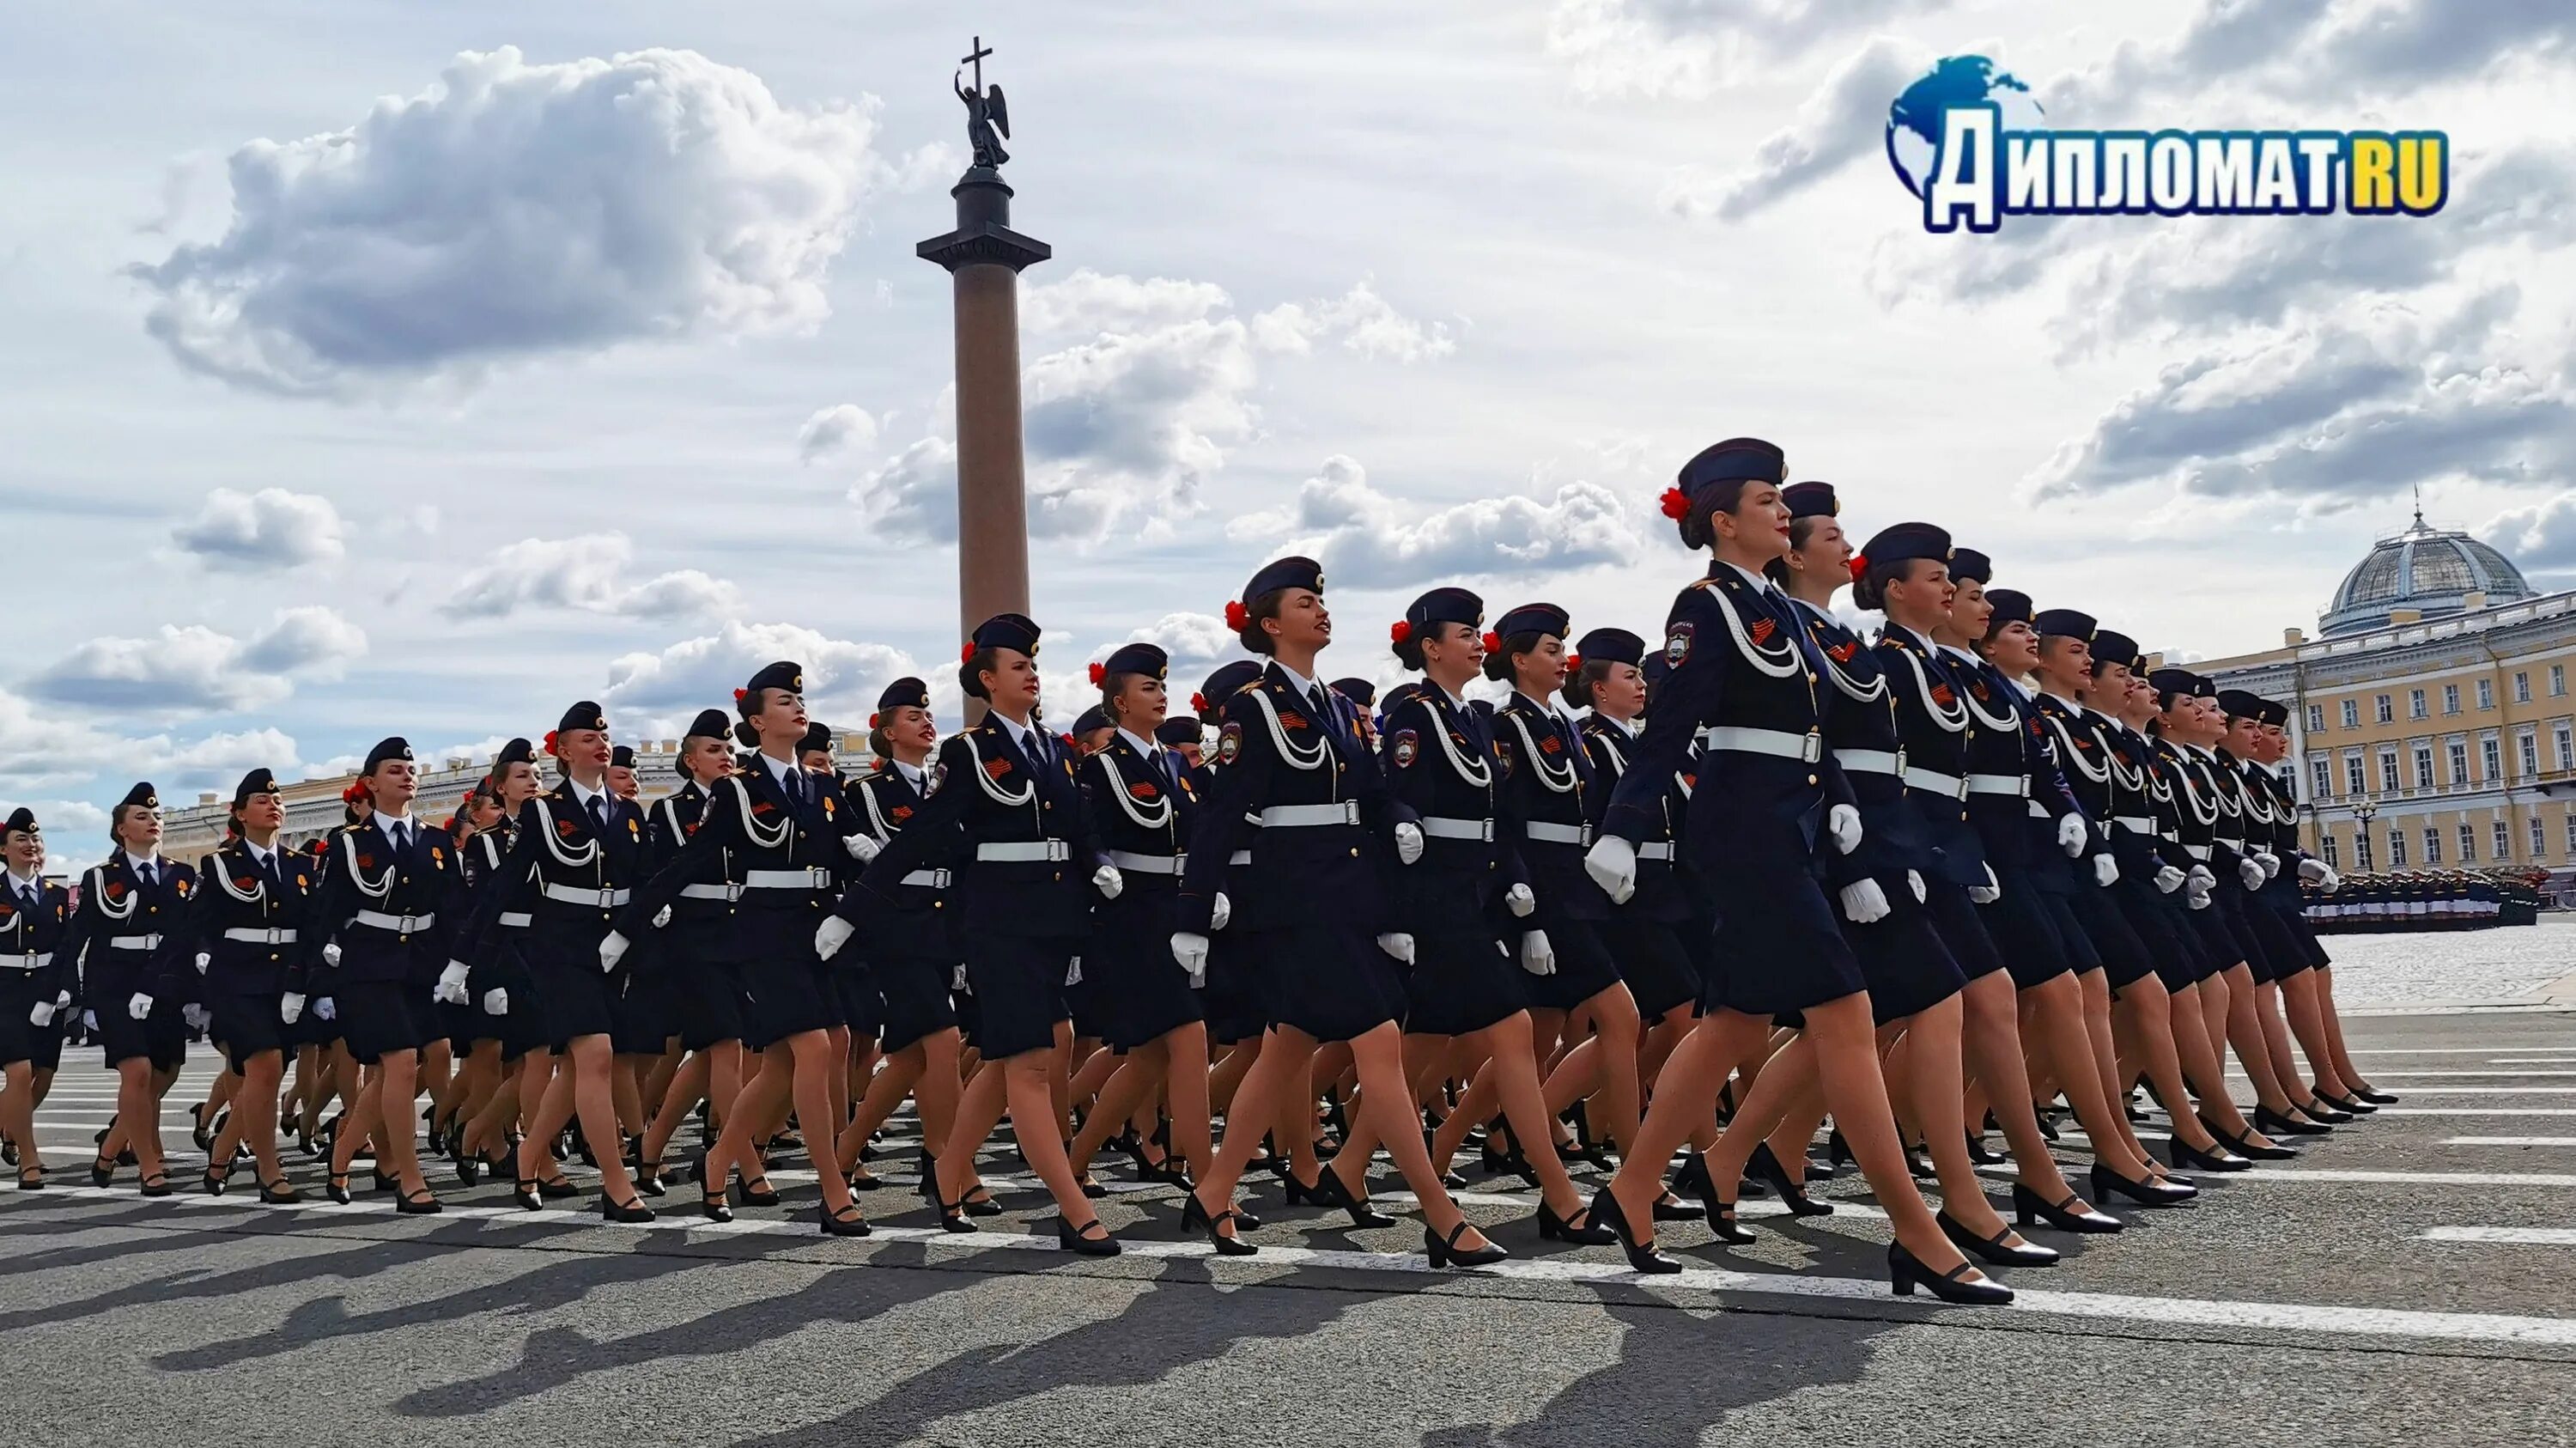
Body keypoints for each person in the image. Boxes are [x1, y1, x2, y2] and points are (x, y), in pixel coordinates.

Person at [1582, 439, 2005, 1302]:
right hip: (1745, 835)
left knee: (1736, 1023)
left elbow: (1817, 727)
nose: (1786, 511)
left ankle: (1628, 1193)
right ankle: (1918, 1236)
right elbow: (1669, 731)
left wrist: (1842, 799)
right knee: (1846, 1013)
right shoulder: (1706, 608)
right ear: (1724, 521)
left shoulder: (1778, 610)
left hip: (1796, 825)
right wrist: (1622, 827)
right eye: (1768, 501)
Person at [1175, 557, 1504, 1266]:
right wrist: (1193, 911)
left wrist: (1400, 824)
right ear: (1269, 625)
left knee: (1285, 1045)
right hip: (1295, 901)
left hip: (1346, 894)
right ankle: (1441, 1215)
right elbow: (1222, 815)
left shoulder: (1343, 709)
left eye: (1321, 602)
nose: (1321, 612)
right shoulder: (1254, 707)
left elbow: (1374, 792)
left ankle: (1213, 1191)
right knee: (1380, 1042)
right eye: (1304, 603)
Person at [842, 616, 1118, 1254]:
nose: (1031, 673)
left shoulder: (1051, 747)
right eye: (1017, 666)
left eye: (1034, 664)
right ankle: (1071, 1208)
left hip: (1051, 921)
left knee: (1009, 1059)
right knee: (1027, 1063)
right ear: (988, 680)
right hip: (998, 925)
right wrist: (857, 906)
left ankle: (947, 1173)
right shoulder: (968, 751)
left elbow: (1080, 828)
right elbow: (924, 835)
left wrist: (1099, 866)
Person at [1385, 588, 1616, 1245]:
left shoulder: (1473, 721)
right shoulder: (1415, 715)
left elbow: (1497, 822)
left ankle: (1349, 1166)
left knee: (1417, 1049)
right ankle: (1558, 1194)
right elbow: (1397, 811)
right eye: (1465, 633)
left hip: (1475, 893)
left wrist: (1514, 886)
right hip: (1436, 899)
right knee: (1512, 1028)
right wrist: (1397, 912)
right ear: (1431, 647)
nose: (1476, 643)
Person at [618, 661, 872, 1236]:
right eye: (785, 702)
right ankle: (832, 1188)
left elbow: (845, 855)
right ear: (757, 721)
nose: (798, 709)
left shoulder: (824, 788)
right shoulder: (738, 790)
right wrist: (629, 925)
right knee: (813, 1050)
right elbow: (689, 861)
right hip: (764, 936)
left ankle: (717, 1159)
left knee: (786, 1062)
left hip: (817, 930)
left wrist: (863, 852)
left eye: (800, 702)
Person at [456, 703, 654, 1222]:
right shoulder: (545, 811)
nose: (600, 744)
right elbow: (504, 889)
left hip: (613, 947)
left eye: (603, 737)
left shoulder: (629, 813)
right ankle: (616, 1185)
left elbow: (648, 882)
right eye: (587, 738)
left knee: (573, 1069)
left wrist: (640, 930)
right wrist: (465, 962)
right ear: (564, 752)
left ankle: (528, 1156)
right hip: (560, 947)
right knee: (596, 1057)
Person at [1485, 603, 1645, 1185]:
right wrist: (1522, 899)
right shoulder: (1508, 728)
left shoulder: (1563, 728)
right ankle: (1638, 1170)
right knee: (1620, 1019)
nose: (1563, 660)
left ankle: (1489, 1132)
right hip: (1544, 887)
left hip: (1575, 880)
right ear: (1520, 660)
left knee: (1542, 1030)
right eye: (1552, 650)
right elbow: (1506, 818)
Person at [1059, 644, 1224, 1205]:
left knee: (1149, 1056)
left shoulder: (1172, 766)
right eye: (1148, 688)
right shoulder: (1102, 767)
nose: (1160, 695)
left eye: (1162, 686)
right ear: (1119, 703)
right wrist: (1099, 873)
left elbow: (1194, 838)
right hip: (1130, 916)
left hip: (1173, 907)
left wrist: (1207, 892)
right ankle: (1210, 1185)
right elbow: (1087, 838)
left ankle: (1074, 1161)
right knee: (1190, 1036)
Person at [296, 739, 464, 1212]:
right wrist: (319, 974)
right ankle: (411, 1179)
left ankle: (343, 1152)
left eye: (411, 769)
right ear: (371, 783)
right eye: (395, 770)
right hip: (368, 965)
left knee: (405, 1070)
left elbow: (453, 911)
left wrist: (462, 965)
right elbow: (324, 912)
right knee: (403, 1064)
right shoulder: (350, 843)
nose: (407, 776)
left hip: (423, 965)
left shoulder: (434, 842)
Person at [173, 770, 311, 1202]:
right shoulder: (219, 866)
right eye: (261, 800)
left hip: (286, 981)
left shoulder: (300, 866)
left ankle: (223, 1149)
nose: (274, 806)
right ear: (239, 814)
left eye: (278, 800)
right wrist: (197, 978)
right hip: (237, 978)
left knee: (265, 1079)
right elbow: (196, 926)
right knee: (265, 1067)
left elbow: (311, 928)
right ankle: (269, 1170)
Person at [635, 709, 750, 1203]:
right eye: (713, 751)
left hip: (740, 931)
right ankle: (743, 1162)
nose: (725, 757)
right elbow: (662, 871)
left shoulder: (746, 801)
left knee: (707, 1058)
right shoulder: (668, 811)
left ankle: (651, 1146)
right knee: (727, 1046)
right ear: (689, 761)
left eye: (728, 750)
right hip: (692, 935)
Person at [58, 782, 197, 1196]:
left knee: (164, 1073)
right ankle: (149, 1164)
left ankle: (112, 1146)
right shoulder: (101, 878)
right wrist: (73, 994)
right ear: (121, 829)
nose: (153, 822)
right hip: (116, 983)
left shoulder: (182, 875)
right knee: (136, 1072)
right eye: (142, 816)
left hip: (166, 983)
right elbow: (77, 938)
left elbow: (190, 937)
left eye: (157, 816)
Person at [3, 808, 71, 1189]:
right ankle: (28, 1160)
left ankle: (10, 1129)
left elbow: (67, 945)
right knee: (20, 1072)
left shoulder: (56, 895)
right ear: (4, 849)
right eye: (21, 840)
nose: (31, 845)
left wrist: (64, 988)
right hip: (5, 992)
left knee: (42, 1077)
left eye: (36, 839)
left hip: (47, 991)